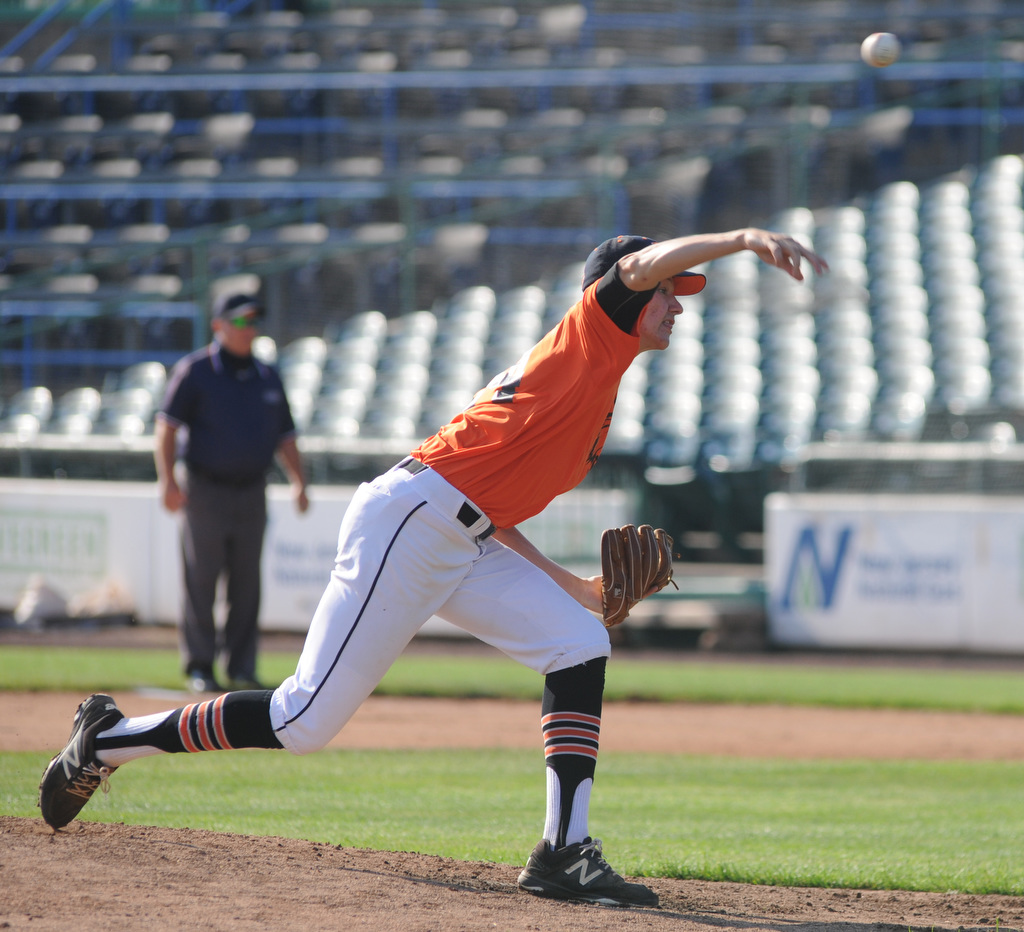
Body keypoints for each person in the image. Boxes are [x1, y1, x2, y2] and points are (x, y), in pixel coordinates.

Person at [40, 229, 826, 907]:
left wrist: (577, 589)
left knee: (580, 641)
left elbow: (497, 513)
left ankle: (563, 851)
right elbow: (634, 268)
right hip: (411, 523)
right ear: (623, 295)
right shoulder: (590, 333)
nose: (677, 305)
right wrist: (742, 240)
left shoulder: (595, 390)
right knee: (300, 721)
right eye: (668, 293)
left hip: (463, 535)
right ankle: (109, 740)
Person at [154, 291, 310, 694]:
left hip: (252, 491)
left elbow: (286, 435)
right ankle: (199, 667)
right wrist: (167, 480)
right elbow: (167, 427)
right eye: (240, 321)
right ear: (218, 325)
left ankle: (241, 668)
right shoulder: (195, 371)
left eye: (253, 321)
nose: (248, 329)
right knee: (201, 580)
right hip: (205, 490)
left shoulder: (267, 375)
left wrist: (299, 481)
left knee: (246, 585)